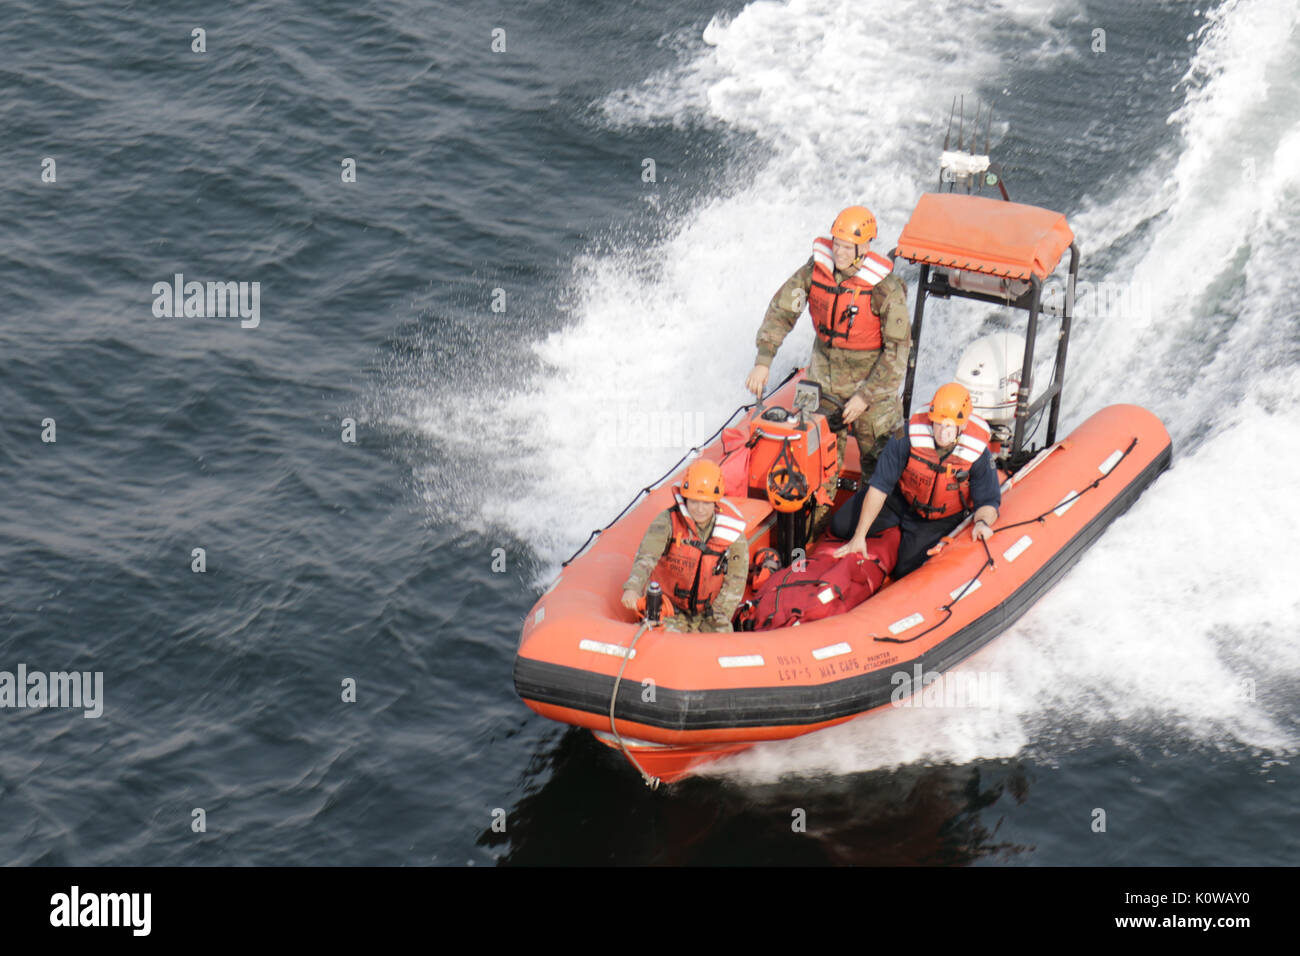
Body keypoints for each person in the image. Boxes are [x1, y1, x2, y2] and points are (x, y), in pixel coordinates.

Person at [744, 205, 911, 521]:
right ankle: (811, 537)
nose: (840, 251)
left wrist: (865, 397)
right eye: (837, 244)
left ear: (864, 248)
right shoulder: (814, 272)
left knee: (880, 465)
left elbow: (897, 354)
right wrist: (764, 359)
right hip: (823, 379)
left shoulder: (885, 289)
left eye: (848, 247)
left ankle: (872, 537)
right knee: (811, 461)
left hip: (871, 387)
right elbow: (782, 311)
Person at [832, 383, 1000, 579]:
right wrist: (859, 536)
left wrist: (982, 523)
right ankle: (889, 532)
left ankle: (900, 543)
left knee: (906, 570)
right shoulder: (907, 436)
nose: (942, 432)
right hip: (901, 500)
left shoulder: (977, 452)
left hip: (938, 519)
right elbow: (879, 487)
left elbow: (988, 501)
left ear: (962, 426)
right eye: (938, 423)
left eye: (949, 426)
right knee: (840, 525)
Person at [620, 459, 750, 632]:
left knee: (719, 639)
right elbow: (647, 556)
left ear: (716, 502)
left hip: (712, 613)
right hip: (670, 609)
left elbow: (736, 580)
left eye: (706, 503)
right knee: (659, 641)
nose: (699, 509)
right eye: (694, 501)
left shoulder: (732, 534)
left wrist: (717, 616)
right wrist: (633, 587)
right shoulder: (667, 522)